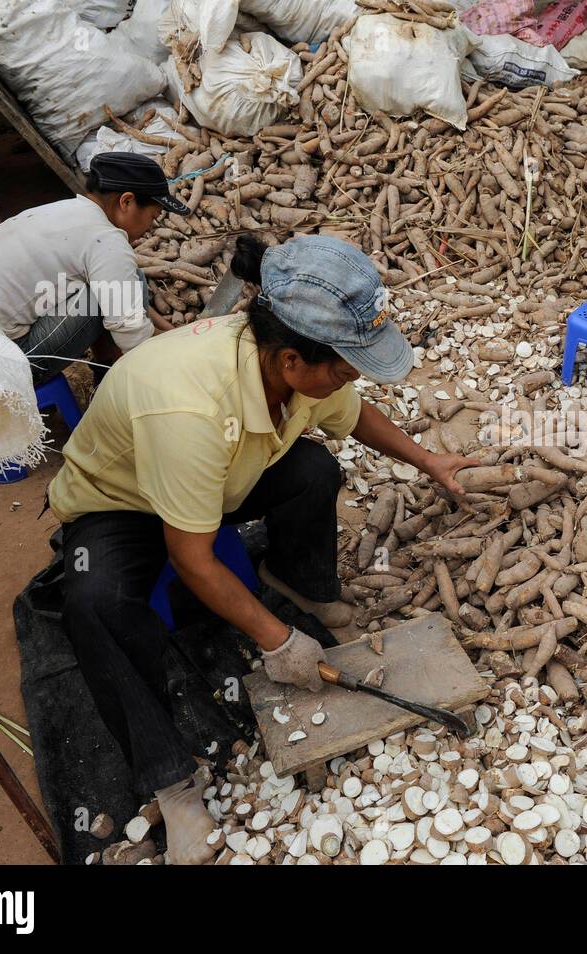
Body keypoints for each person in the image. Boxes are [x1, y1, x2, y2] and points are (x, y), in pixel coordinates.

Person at [45, 234, 476, 863]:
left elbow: (352, 417)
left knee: (313, 469)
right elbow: (192, 558)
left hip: (218, 479)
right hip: (123, 503)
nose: (352, 377)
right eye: (347, 366)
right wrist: (279, 642)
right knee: (96, 603)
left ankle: (294, 578)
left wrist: (429, 459)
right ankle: (172, 783)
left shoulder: (294, 366)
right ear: (292, 362)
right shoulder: (192, 408)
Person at [0, 152, 184, 385]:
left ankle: (107, 371)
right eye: (153, 217)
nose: (150, 227)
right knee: (106, 296)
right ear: (127, 202)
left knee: (128, 281)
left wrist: (169, 330)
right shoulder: (106, 240)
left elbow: (126, 293)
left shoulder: (63, 211)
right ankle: (115, 381)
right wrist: (183, 345)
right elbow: (132, 337)